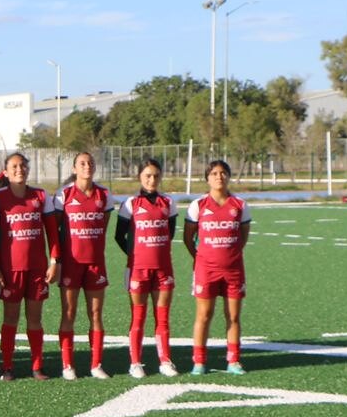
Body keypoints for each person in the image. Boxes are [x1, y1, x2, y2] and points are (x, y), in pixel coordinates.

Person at [0, 152, 59, 380]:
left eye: (23, 166)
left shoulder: (40, 195)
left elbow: (52, 233)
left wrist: (54, 261)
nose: (20, 169)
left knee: (35, 319)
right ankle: (8, 366)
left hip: (37, 270)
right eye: (14, 166)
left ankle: (37, 366)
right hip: (11, 271)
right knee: (11, 318)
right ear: (5, 172)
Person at [185, 159, 252, 376]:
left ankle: (233, 361)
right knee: (204, 315)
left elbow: (242, 238)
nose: (218, 177)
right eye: (214, 173)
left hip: (233, 270)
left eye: (223, 173)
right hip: (206, 270)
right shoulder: (198, 205)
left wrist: (229, 255)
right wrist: (202, 258)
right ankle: (199, 361)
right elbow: (188, 238)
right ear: (207, 178)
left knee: (233, 316)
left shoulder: (240, 205)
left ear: (228, 176)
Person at [115, 158, 179, 379]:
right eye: (147, 176)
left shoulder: (168, 203)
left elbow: (170, 233)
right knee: (138, 317)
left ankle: (165, 360)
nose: (152, 180)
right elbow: (119, 235)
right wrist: (135, 254)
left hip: (163, 269)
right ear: (139, 177)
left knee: (162, 318)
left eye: (155, 176)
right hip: (137, 270)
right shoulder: (130, 203)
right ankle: (135, 362)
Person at [53, 151, 114, 380]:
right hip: (71, 263)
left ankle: (96, 364)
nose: (87, 166)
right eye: (82, 163)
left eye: (90, 162)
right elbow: (56, 231)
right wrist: (57, 260)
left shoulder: (104, 194)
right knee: (68, 313)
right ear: (74, 169)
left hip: (95, 264)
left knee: (96, 314)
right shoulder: (64, 194)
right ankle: (67, 365)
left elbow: (103, 226)